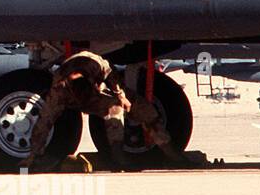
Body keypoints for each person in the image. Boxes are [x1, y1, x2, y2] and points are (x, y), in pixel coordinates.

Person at [22, 50, 182, 170]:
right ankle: (118, 156)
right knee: (48, 116)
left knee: (130, 108)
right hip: (74, 95)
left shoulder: (95, 65)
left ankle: (170, 153)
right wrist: (32, 155)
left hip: (97, 92)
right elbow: (44, 121)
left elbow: (111, 76)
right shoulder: (59, 90)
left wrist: (121, 95)